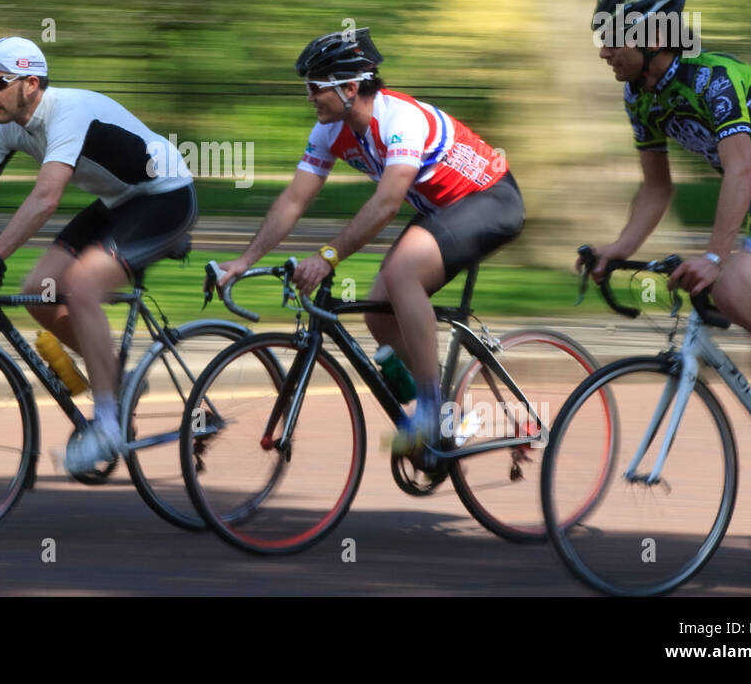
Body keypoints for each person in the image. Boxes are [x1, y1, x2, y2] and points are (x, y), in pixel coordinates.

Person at [585, 0, 751, 558]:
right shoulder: (641, 96)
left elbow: (739, 171)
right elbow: (655, 190)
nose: (603, 50)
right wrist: (616, 248)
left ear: (653, 37)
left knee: (732, 285)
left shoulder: (713, 78)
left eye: (611, 38)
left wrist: (713, 256)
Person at [0, 36, 196, 475]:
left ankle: (107, 425)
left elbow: (47, 197)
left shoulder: (67, 111)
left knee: (81, 286)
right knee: (38, 291)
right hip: (118, 203)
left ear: (30, 83)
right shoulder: (6, 126)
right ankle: (120, 384)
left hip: (165, 196)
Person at [216, 27, 525, 462]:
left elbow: (386, 204)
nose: (308, 96)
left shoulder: (400, 120)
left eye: (315, 87)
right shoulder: (330, 130)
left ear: (349, 87)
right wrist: (245, 260)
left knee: (402, 275)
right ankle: (444, 413)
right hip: (441, 210)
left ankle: (434, 410)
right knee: (380, 313)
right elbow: (293, 200)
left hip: (489, 200)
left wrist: (328, 257)